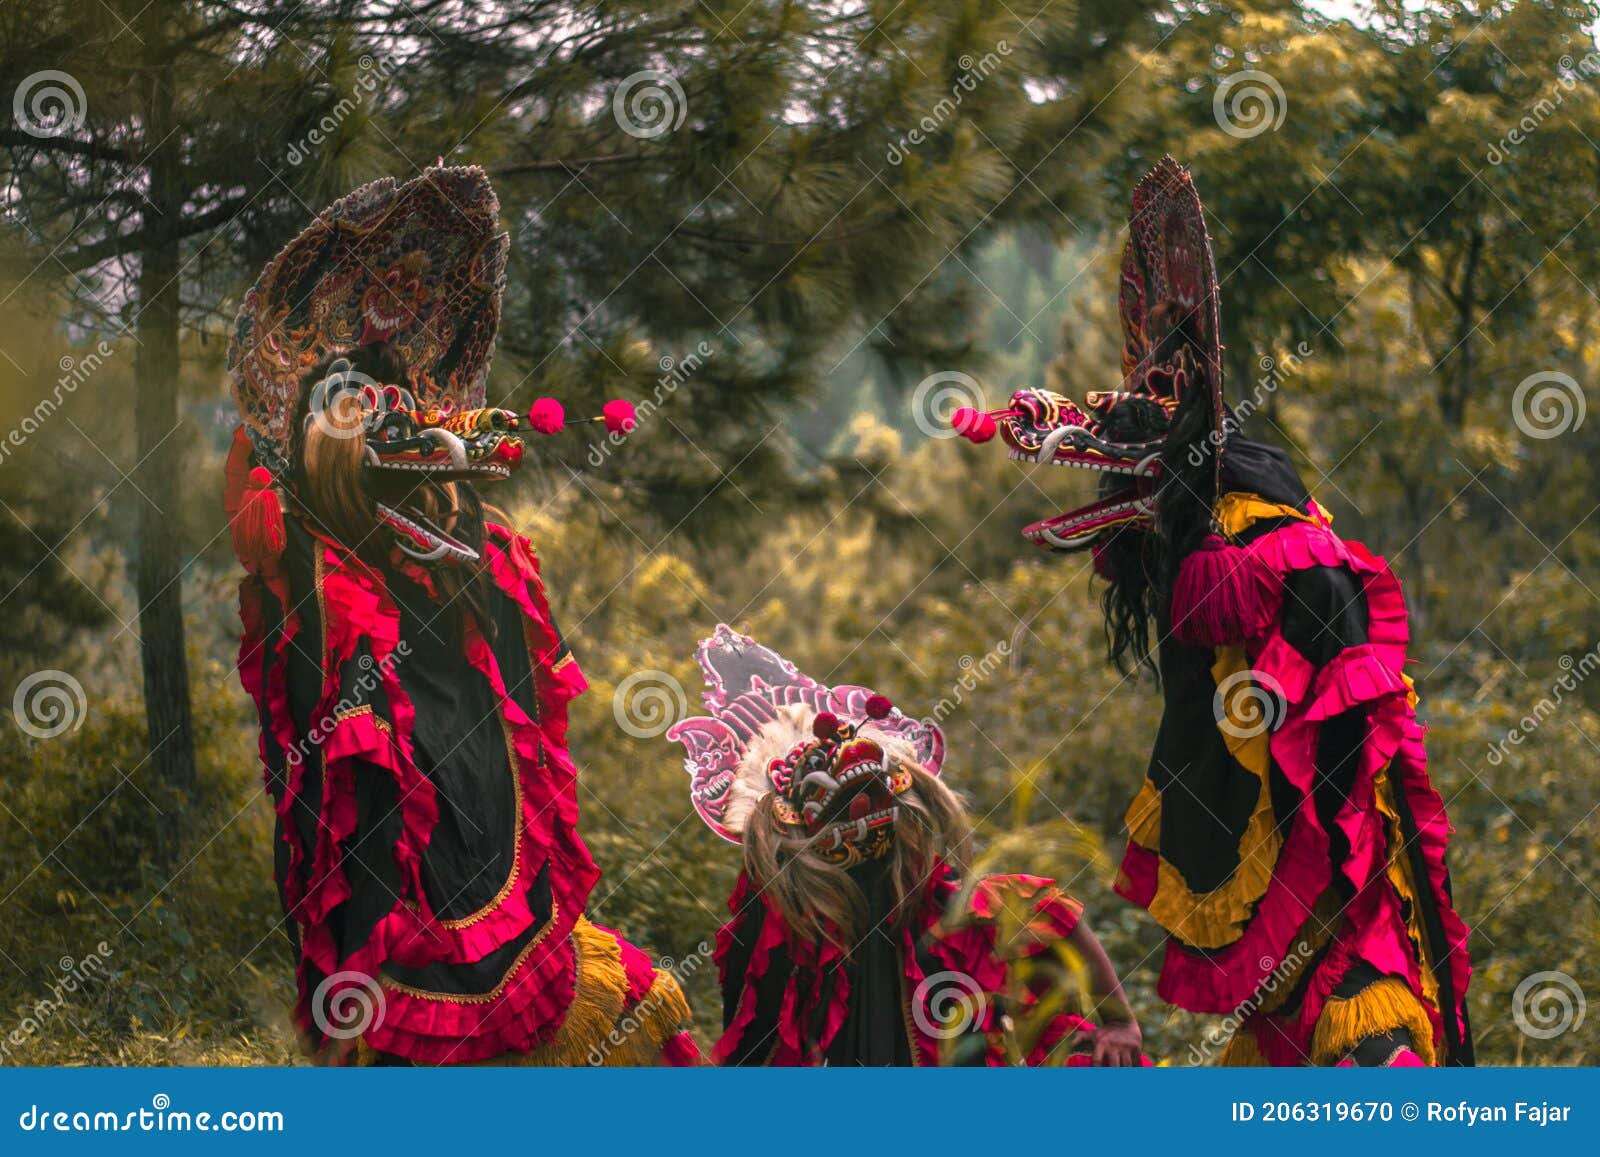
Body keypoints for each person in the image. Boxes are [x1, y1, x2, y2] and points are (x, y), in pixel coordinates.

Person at [949, 156, 1473, 1066]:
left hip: (1337, 898)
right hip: (1273, 902)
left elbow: (1347, 702)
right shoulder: (1199, 543)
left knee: (1356, 1027)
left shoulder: (1267, 540)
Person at [225, 165, 697, 1066]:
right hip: (398, 875)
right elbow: (335, 784)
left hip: (485, 812)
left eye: (403, 404)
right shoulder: (313, 591)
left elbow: (518, 678)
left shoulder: (468, 541)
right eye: (368, 412)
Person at [666, 624, 1146, 1066]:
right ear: (798, 825)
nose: (859, 819)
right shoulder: (784, 918)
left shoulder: (951, 908)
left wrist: (1120, 1022)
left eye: (869, 798)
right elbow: (754, 1033)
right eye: (839, 809)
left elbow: (1052, 912)